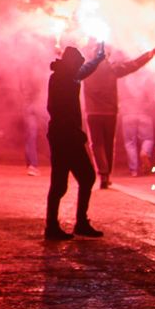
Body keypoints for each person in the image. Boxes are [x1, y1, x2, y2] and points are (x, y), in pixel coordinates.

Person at [44, 43, 107, 240]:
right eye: (77, 63)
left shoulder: (66, 75)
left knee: (71, 180)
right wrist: (74, 132)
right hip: (65, 137)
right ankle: (62, 225)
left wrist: (98, 58)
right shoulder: (62, 79)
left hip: (64, 136)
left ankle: (61, 224)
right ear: (71, 63)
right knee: (71, 180)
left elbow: (84, 70)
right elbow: (57, 109)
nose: (80, 66)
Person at [83, 44, 155, 188]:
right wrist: (151, 53)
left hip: (92, 112)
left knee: (97, 144)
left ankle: (103, 173)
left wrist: (60, 52)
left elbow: (68, 67)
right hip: (110, 112)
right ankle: (107, 174)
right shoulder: (112, 68)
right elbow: (134, 65)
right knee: (108, 143)